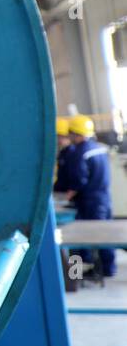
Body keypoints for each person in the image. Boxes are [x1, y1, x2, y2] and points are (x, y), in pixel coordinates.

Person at [63, 115, 116, 279]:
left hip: (89, 202)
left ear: (75, 133)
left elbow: (79, 179)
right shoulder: (99, 148)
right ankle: (108, 268)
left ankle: (76, 274)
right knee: (105, 234)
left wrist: (68, 194)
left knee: (76, 239)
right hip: (104, 199)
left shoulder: (80, 153)